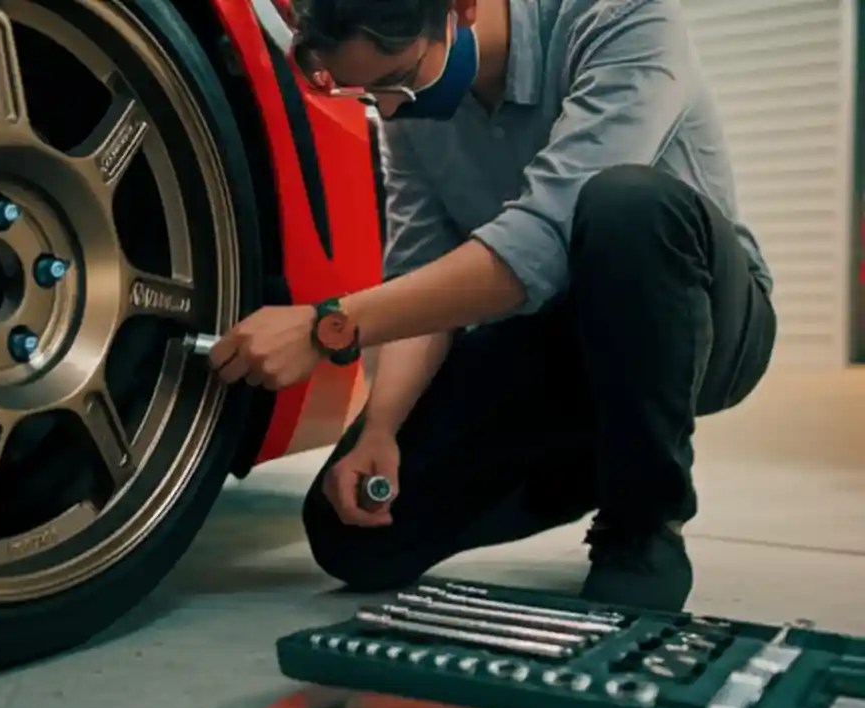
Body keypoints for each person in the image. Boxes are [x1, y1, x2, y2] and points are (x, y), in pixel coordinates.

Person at [207, 0, 777, 611]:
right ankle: (619, 444)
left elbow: (542, 240)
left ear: (461, 8)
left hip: (698, 318)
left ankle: (642, 525)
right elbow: (420, 275)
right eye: (369, 93)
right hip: (556, 335)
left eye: (397, 77)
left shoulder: (622, 17)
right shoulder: (413, 107)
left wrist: (327, 327)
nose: (391, 109)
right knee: (352, 535)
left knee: (625, 204)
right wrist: (381, 426)